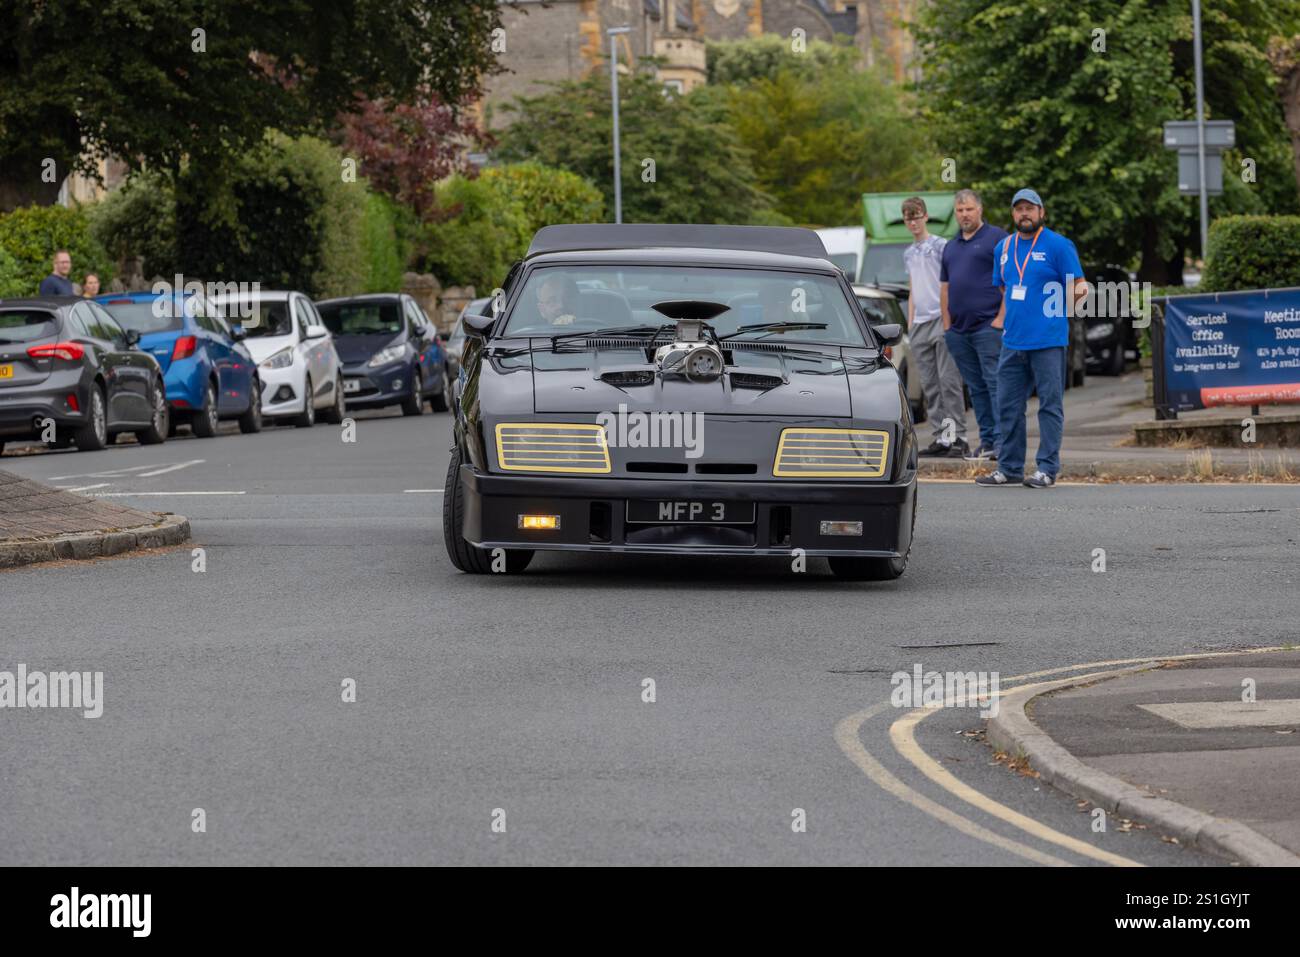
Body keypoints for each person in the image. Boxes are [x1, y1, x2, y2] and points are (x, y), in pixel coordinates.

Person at [976, 189, 1087, 489]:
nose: (1024, 214)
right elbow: (1004, 289)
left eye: (1030, 208)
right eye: (1019, 209)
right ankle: (1009, 468)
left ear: (1042, 212)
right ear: (1013, 214)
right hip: (1013, 341)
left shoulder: (1058, 245)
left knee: (1049, 406)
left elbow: (1079, 285)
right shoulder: (1003, 247)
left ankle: (1047, 469)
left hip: (1048, 341)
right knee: (1008, 406)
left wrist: (1063, 310)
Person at [940, 189, 1007, 461]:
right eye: (959, 210)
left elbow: (1010, 283)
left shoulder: (997, 239)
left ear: (979, 209)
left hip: (987, 328)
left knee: (995, 385)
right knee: (976, 389)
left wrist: (1000, 320)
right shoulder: (950, 246)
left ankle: (1004, 443)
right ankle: (988, 441)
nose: (964, 214)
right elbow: (944, 288)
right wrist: (947, 325)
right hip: (958, 331)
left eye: (968, 209)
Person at [901, 196, 967, 457]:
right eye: (909, 218)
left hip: (941, 318)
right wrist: (910, 321)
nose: (914, 222)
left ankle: (958, 436)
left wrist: (949, 316)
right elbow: (912, 289)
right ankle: (941, 437)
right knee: (929, 384)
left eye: (917, 216)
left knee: (948, 380)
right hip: (919, 323)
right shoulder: (908, 253)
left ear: (925, 217)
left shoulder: (941, 246)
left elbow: (950, 281)